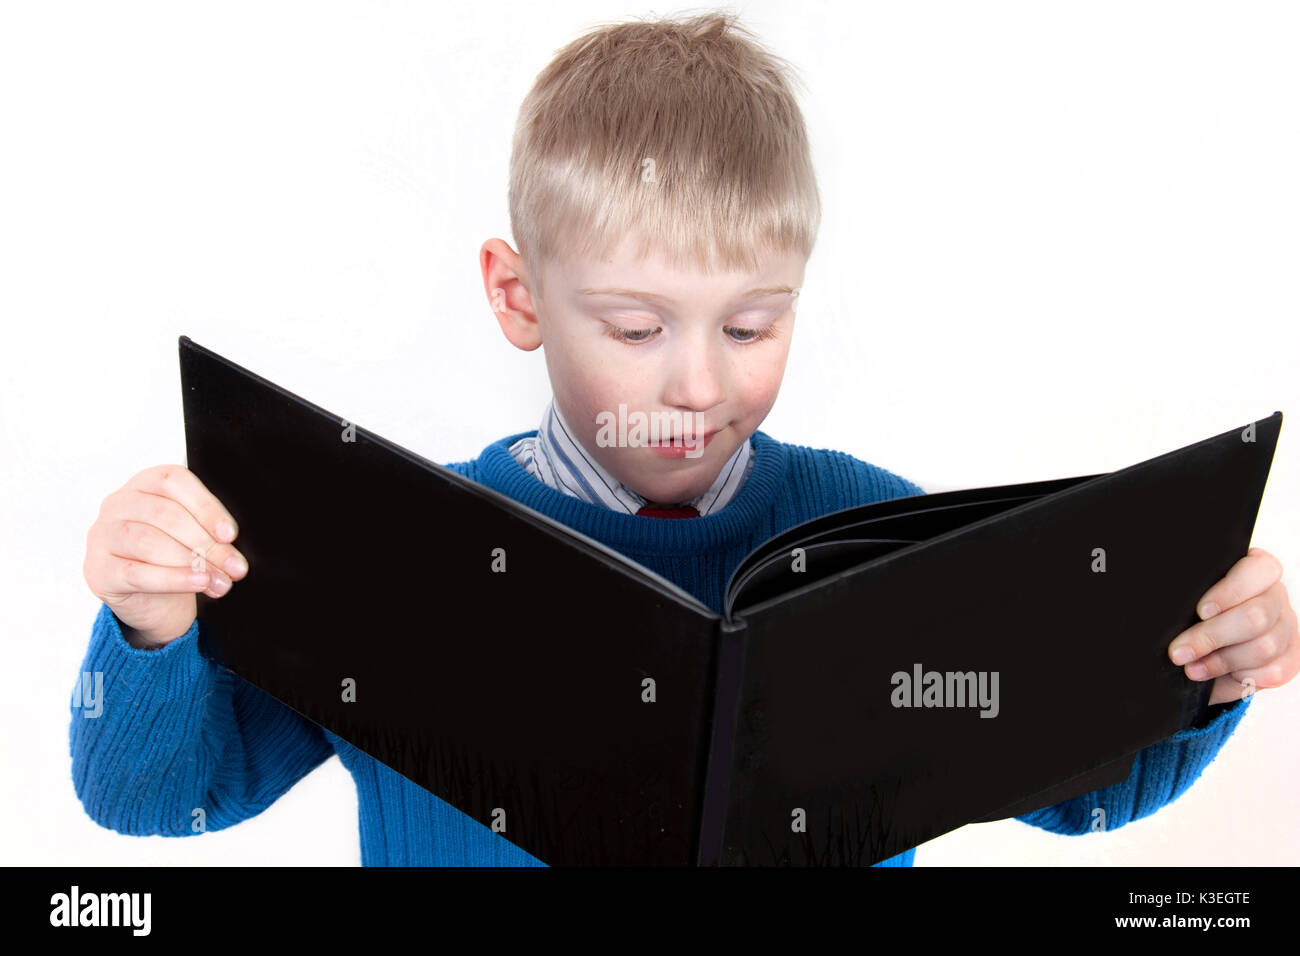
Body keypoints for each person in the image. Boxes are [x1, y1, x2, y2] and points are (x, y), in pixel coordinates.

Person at [73, 11, 1296, 867]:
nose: (698, 380)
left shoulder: (881, 536)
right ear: (518, 298)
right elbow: (152, 799)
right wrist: (149, 620)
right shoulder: (382, 551)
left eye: (752, 323)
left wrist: (1202, 667)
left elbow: (1088, 794)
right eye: (636, 324)